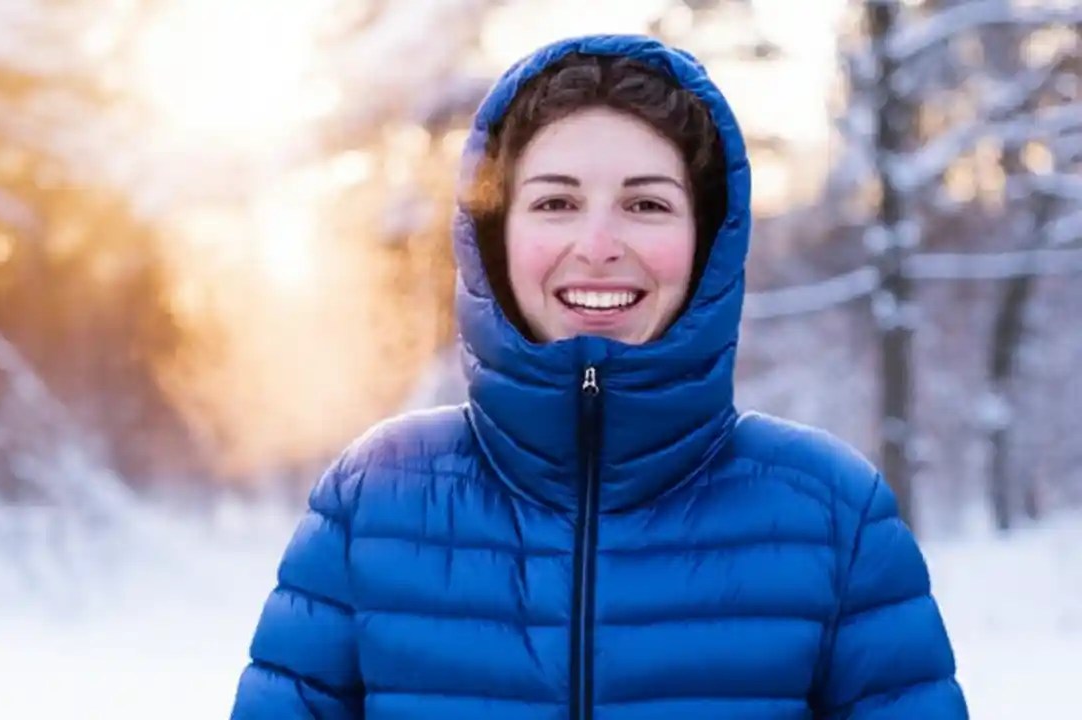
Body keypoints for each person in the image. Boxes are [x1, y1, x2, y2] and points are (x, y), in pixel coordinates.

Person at [230, 34, 968, 720]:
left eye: (646, 204)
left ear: (707, 237)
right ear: (495, 236)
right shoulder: (371, 501)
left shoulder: (834, 515)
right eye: (556, 203)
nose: (599, 244)